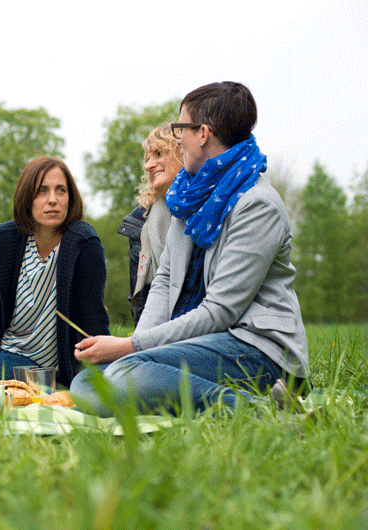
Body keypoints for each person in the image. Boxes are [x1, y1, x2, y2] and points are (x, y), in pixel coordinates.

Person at [70, 82, 309, 416]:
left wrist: (131, 347)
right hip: (200, 345)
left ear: (203, 133)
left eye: (180, 128)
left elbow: (220, 312)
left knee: (124, 374)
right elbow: (166, 279)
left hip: (258, 351)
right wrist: (136, 347)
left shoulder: (257, 205)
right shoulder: (190, 196)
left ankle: (262, 411)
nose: (177, 137)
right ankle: (217, 399)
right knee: (90, 379)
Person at [0, 156, 111, 387]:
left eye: (61, 190)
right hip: (1, 340)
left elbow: (94, 319)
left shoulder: (84, 243)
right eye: (42, 191)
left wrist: (100, 368)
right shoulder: (6, 238)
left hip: (38, 363)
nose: (53, 200)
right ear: (27, 198)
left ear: (70, 198)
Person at [118, 125, 183, 324]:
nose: (148, 165)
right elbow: (140, 302)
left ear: (183, 152)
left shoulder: (212, 209)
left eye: (159, 154)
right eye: (147, 159)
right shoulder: (139, 222)